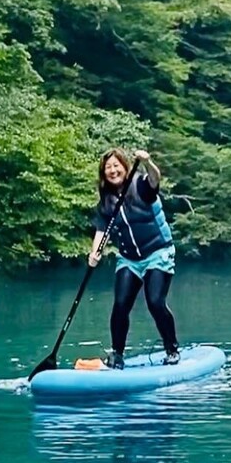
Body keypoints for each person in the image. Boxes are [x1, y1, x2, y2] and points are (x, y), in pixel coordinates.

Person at [89, 147, 180, 368]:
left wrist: (148, 162)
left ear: (124, 166)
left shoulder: (139, 185)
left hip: (157, 252)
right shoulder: (106, 201)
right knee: (120, 305)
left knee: (155, 302)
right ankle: (117, 355)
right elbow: (102, 230)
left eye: (116, 166)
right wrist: (94, 253)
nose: (112, 171)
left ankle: (171, 349)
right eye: (108, 168)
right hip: (129, 258)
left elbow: (155, 180)